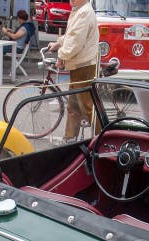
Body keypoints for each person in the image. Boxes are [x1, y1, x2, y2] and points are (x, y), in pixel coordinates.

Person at [46, 0, 98, 142]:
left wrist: (61, 56)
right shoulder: (79, 10)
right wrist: (59, 43)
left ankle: (103, 138)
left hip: (84, 66)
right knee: (73, 106)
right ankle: (69, 139)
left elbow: (75, 42)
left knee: (87, 107)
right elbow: (71, 35)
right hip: (79, 65)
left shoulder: (84, 12)